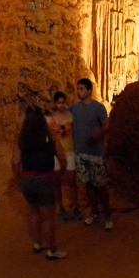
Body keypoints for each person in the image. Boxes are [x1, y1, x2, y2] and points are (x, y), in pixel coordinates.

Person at [12, 106, 68, 260]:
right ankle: (52, 250)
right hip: (45, 178)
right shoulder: (49, 136)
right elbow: (62, 157)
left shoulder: (22, 138)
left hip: (27, 179)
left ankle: (38, 243)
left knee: (34, 212)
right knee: (48, 217)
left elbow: (16, 162)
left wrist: (17, 178)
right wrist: (62, 173)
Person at [71, 79, 113, 230]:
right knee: (88, 185)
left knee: (100, 186)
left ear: (89, 91)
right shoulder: (74, 109)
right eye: (78, 88)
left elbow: (106, 125)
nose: (79, 91)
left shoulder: (98, 108)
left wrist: (100, 133)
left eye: (81, 88)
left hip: (95, 153)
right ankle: (95, 212)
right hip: (81, 153)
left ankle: (107, 215)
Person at [48, 90, 80, 222]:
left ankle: (75, 205)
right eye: (59, 103)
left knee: (72, 180)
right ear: (55, 104)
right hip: (56, 153)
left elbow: (76, 133)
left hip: (70, 151)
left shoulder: (71, 116)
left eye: (63, 103)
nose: (61, 105)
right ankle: (61, 208)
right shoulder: (50, 118)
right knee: (57, 182)